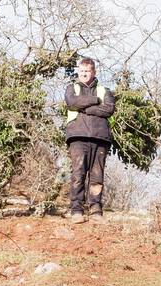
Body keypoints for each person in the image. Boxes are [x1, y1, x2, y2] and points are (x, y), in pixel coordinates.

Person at [64, 57, 117, 223]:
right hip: (77, 136)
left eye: (87, 71)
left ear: (94, 72)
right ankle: (76, 210)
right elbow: (72, 103)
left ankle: (96, 210)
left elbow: (108, 109)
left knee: (97, 176)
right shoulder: (71, 88)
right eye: (81, 71)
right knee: (78, 173)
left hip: (100, 138)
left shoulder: (105, 90)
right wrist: (95, 102)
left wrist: (84, 108)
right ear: (78, 71)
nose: (84, 74)